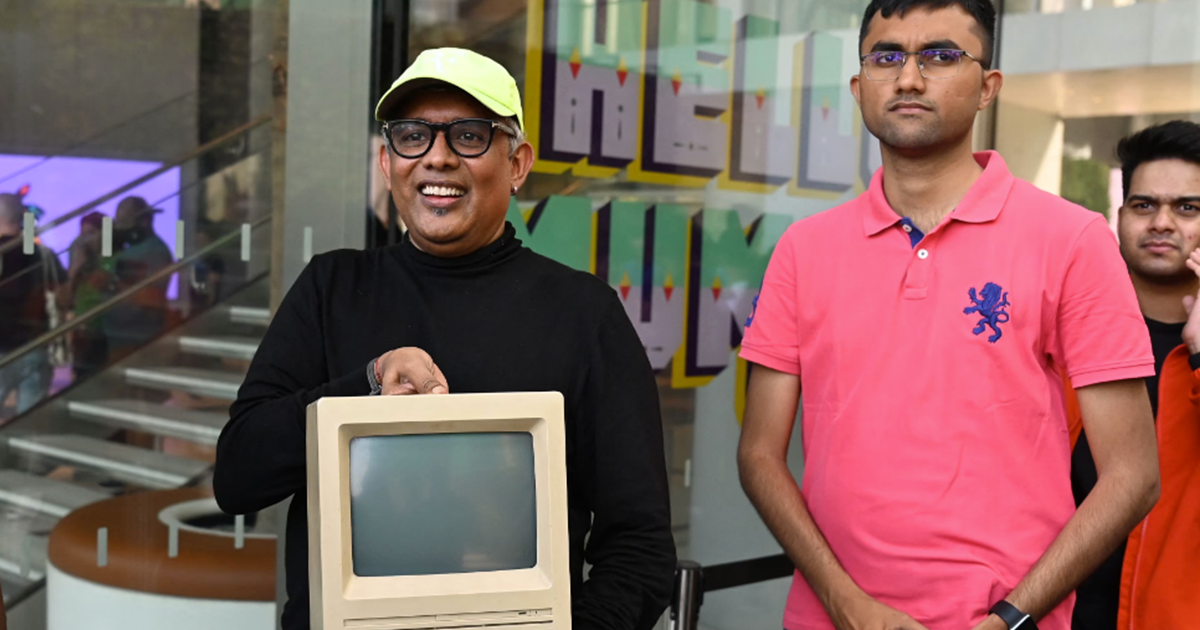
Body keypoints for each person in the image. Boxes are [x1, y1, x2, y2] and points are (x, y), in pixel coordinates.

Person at [213, 48, 676, 630]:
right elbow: (238, 477)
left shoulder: (584, 314)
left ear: (517, 164)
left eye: (469, 135)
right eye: (413, 136)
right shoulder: (331, 289)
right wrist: (368, 383)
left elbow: (640, 549)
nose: (437, 156)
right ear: (387, 163)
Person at [735, 1, 1162, 629]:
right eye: (887, 57)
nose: (908, 78)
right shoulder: (804, 249)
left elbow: (1133, 475)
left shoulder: (1071, 239)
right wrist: (843, 601)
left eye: (940, 56)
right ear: (858, 86)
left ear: (988, 87)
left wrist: (1009, 618)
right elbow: (758, 455)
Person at [1068, 120, 1200, 630]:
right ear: (1119, 216)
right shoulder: (1070, 333)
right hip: (1053, 611)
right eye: (1144, 205)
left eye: (1187, 207)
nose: (1162, 223)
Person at [0, 193, 65, 416]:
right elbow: (63, 295)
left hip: (3, 347)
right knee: (31, 420)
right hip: (36, 344)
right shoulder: (43, 254)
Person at [103, 196, 173, 358]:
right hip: (121, 334)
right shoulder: (133, 249)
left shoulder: (153, 252)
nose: (120, 229)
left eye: (124, 223)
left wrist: (109, 282)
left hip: (137, 336)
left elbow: (149, 295)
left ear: (144, 222)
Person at [67, 212, 116, 380]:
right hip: (83, 328)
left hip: (106, 328)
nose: (86, 240)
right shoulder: (82, 258)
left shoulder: (115, 258)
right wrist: (76, 266)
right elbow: (66, 294)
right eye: (83, 234)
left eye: (91, 233)